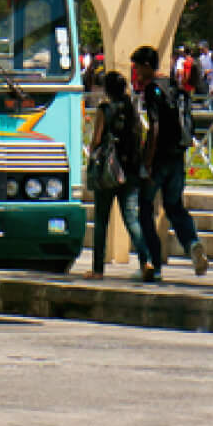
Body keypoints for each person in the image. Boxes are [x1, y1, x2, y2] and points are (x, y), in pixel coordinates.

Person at [130, 45, 207, 276]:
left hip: (160, 159)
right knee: (174, 206)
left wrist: (147, 161)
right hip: (177, 158)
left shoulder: (153, 89)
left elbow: (154, 127)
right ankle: (192, 243)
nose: (135, 72)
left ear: (146, 66)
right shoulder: (175, 86)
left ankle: (153, 265)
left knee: (144, 209)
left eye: (136, 67)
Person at [87, 70, 157, 280]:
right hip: (131, 172)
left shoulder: (104, 109)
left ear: (107, 90)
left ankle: (98, 269)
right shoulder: (131, 109)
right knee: (131, 220)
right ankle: (146, 261)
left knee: (101, 221)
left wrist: (92, 151)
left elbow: (97, 139)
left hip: (108, 173)